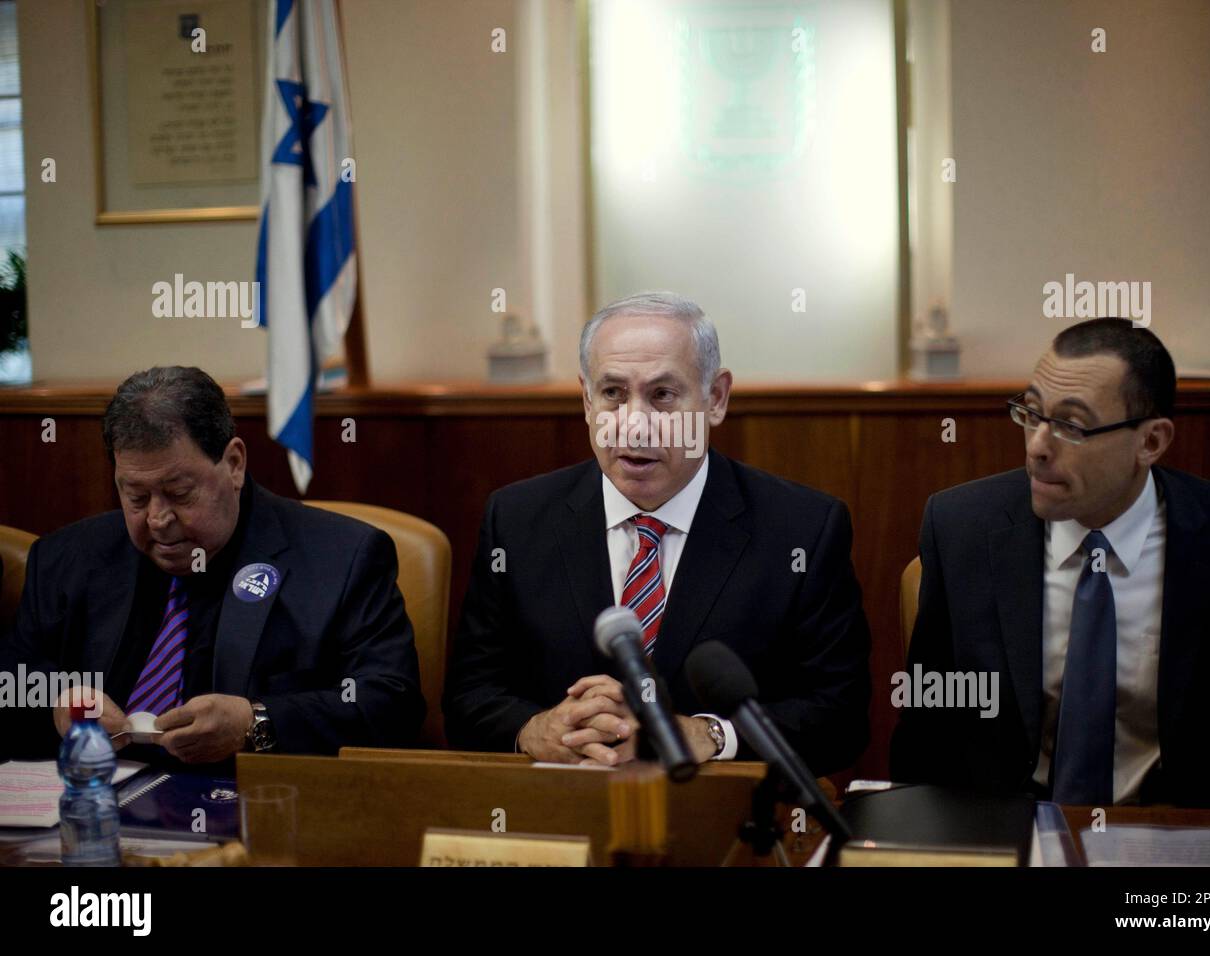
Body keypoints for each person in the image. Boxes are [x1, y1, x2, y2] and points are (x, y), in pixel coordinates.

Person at [444, 292, 872, 777]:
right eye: (613, 395)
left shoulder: (802, 529)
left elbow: (841, 718)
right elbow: (468, 697)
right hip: (559, 819)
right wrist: (533, 729)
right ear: (586, 400)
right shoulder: (517, 520)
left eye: (663, 396)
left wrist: (712, 734)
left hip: (721, 820)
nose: (635, 426)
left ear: (715, 398)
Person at [891, 319, 1210, 808]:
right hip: (1007, 829)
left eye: (1070, 425)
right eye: (1031, 413)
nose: (1038, 446)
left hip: (1172, 841)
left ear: (1151, 442)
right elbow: (925, 737)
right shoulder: (962, 528)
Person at [3, 366, 424, 764]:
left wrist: (255, 722)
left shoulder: (344, 557)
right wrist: (60, 701)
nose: (158, 519)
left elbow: (391, 706)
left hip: (256, 810)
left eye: (180, 493)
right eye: (135, 495)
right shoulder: (66, 556)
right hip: (95, 811)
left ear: (234, 464)